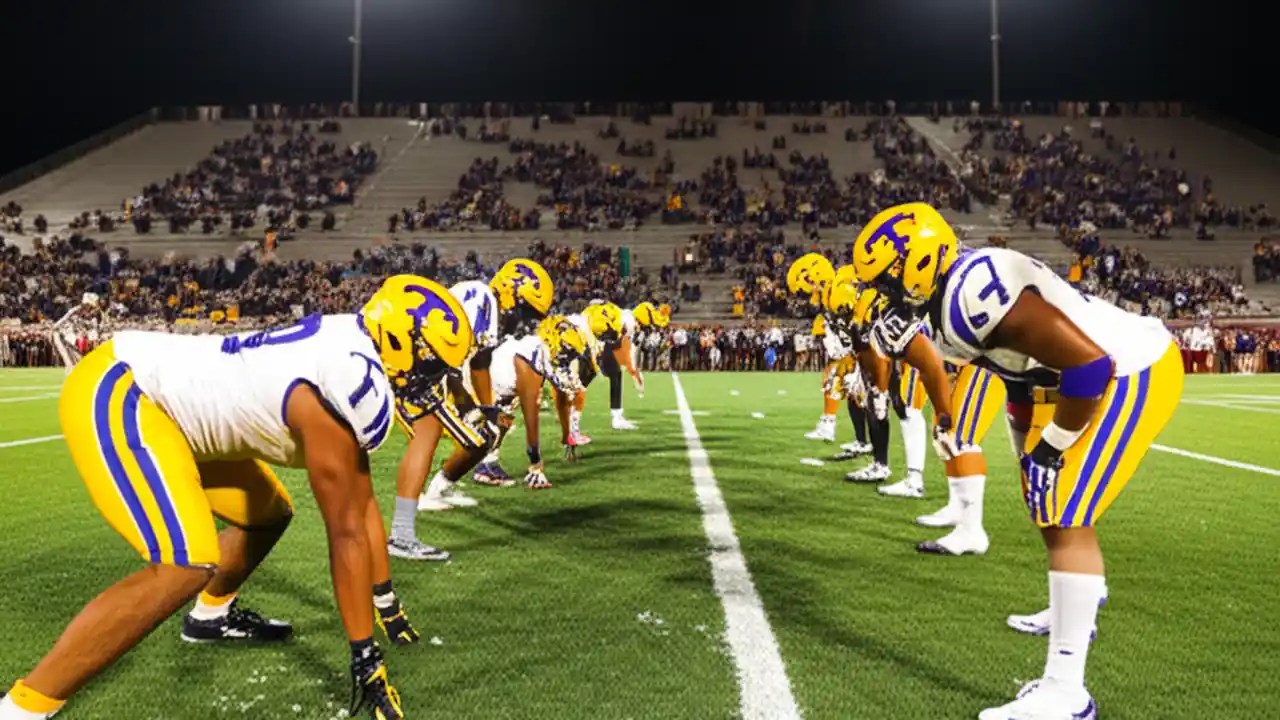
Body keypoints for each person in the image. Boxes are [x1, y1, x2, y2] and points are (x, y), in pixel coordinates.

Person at [1, 275, 476, 720]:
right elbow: (347, 531)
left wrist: (386, 598)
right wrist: (365, 657)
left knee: (269, 513)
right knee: (184, 563)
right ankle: (21, 708)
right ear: (398, 341)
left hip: (182, 418)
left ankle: (210, 616)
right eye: (431, 364)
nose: (431, 382)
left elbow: (363, 501)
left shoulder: (350, 347)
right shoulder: (346, 383)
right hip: (127, 390)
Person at [854, 202, 1183, 720]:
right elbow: (1014, 365)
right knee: (1045, 499)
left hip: (1128, 369)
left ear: (918, 263)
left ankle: (1067, 693)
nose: (882, 296)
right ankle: (1078, 602)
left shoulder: (972, 293)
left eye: (886, 281)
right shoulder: (946, 303)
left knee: (1062, 508)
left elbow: (1091, 366)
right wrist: (1021, 431)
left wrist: (1050, 445)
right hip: (1067, 377)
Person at [385, 277, 502, 559]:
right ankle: (402, 533)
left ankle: (403, 531)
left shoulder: (453, 303)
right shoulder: (465, 312)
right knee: (445, 436)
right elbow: (454, 368)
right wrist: (472, 409)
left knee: (437, 435)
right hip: (408, 373)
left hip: (407, 369)